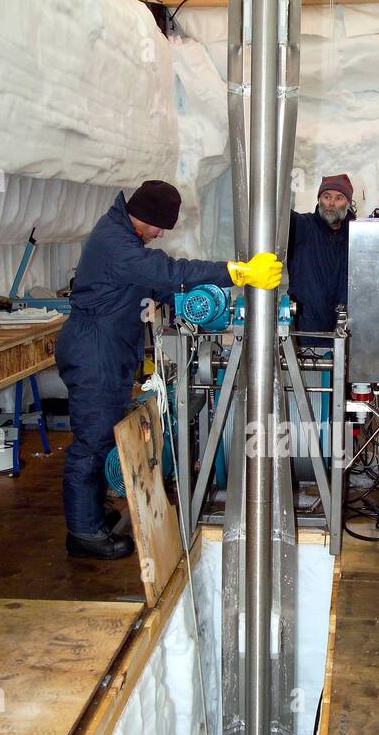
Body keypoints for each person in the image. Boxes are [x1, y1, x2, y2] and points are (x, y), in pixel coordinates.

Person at [56, 181, 281, 560]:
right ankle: (82, 532)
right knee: (92, 441)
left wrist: (181, 298)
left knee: (102, 431)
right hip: (94, 351)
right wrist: (235, 273)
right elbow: (166, 271)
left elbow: (151, 283)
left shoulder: (123, 239)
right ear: (143, 216)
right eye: (160, 226)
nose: (161, 234)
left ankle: (92, 512)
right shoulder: (116, 242)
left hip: (106, 350)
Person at [287, 174, 355, 342]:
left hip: (347, 336)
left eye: (339, 198)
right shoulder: (302, 226)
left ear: (348, 203)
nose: (331, 203)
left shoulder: (357, 235)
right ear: (319, 200)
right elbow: (277, 213)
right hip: (306, 335)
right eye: (327, 197)